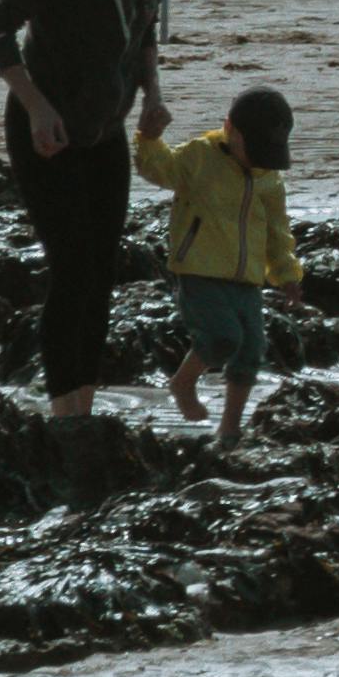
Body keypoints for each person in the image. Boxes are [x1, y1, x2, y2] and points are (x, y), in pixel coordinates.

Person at [0, 0, 204, 419]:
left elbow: (146, 30)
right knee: (72, 270)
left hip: (106, 130)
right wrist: (35, 105)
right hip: (45, 131)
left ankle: (82, 404)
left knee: (101, 273)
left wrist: (153, 92)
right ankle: (64, 415)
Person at [131, 73, 303, 446]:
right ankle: (183, 382)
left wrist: (287, 272)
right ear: (230, 130)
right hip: (199, 272)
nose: (261, 162)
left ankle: (229, 428)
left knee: (251, 349)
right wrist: (149, 139)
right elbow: (161, 169)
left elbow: (277, 230)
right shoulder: (200, 157)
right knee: (222, 339)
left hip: (248, 279)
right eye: (253, 151)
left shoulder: (269, 178)